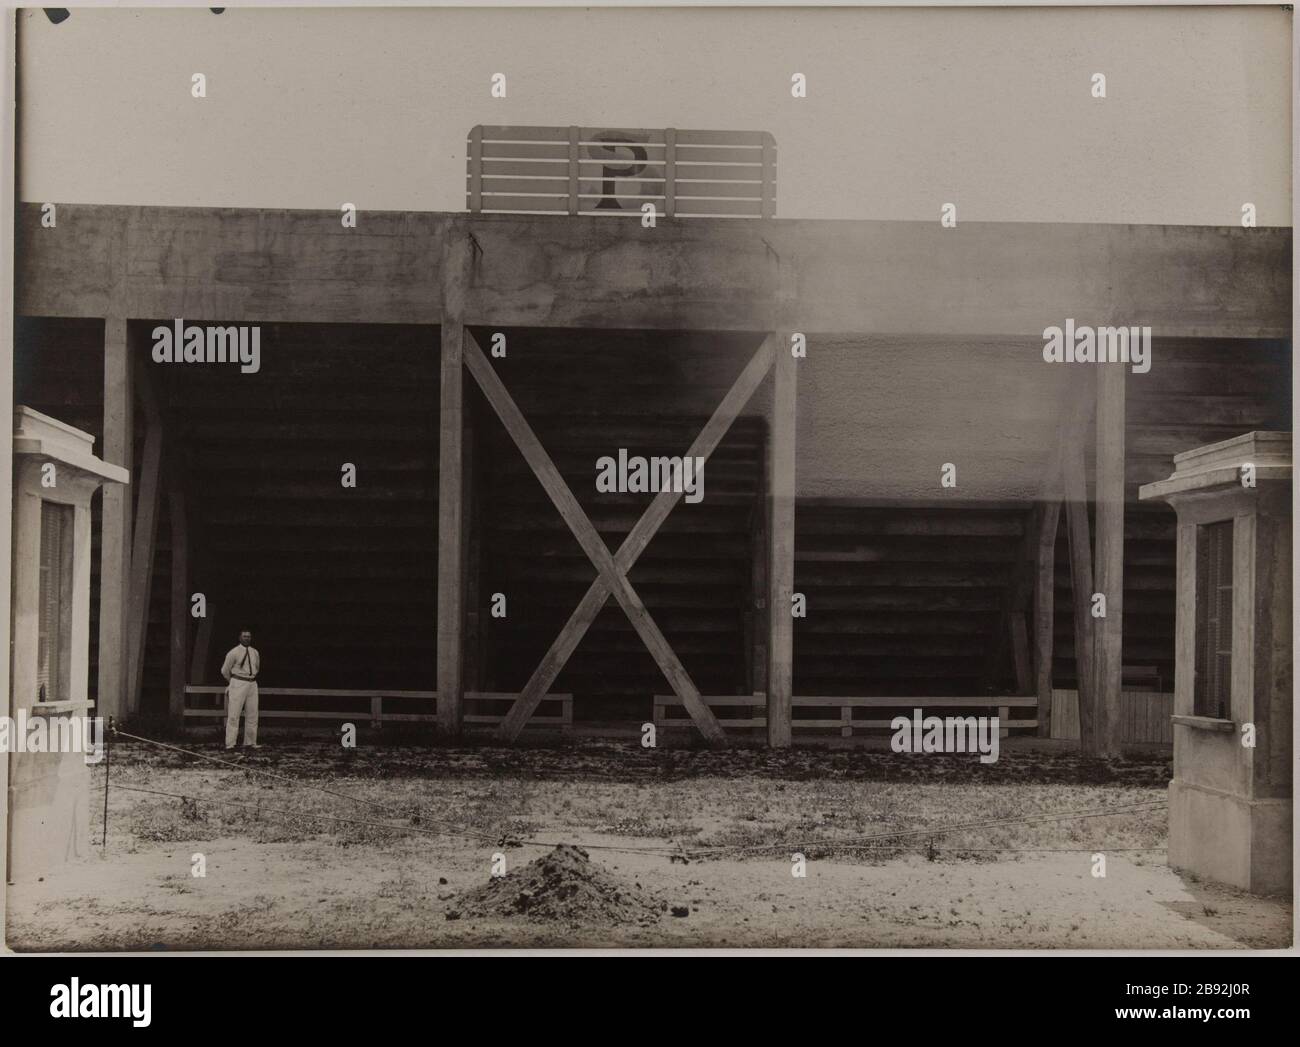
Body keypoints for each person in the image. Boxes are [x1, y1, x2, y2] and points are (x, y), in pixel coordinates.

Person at [221, 628, 261, 750]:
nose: (247, 638)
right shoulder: (233, 652)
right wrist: (233, 682)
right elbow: (224, 671)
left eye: (248, 636)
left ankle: (250, 742)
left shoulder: (255, 652)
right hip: (238, 682)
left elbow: (257, 668)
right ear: (239, 638)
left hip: (252, 683)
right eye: (244, 636)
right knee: (234, 714)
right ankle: (230, 744)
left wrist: (250, 678)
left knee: (253, 714)